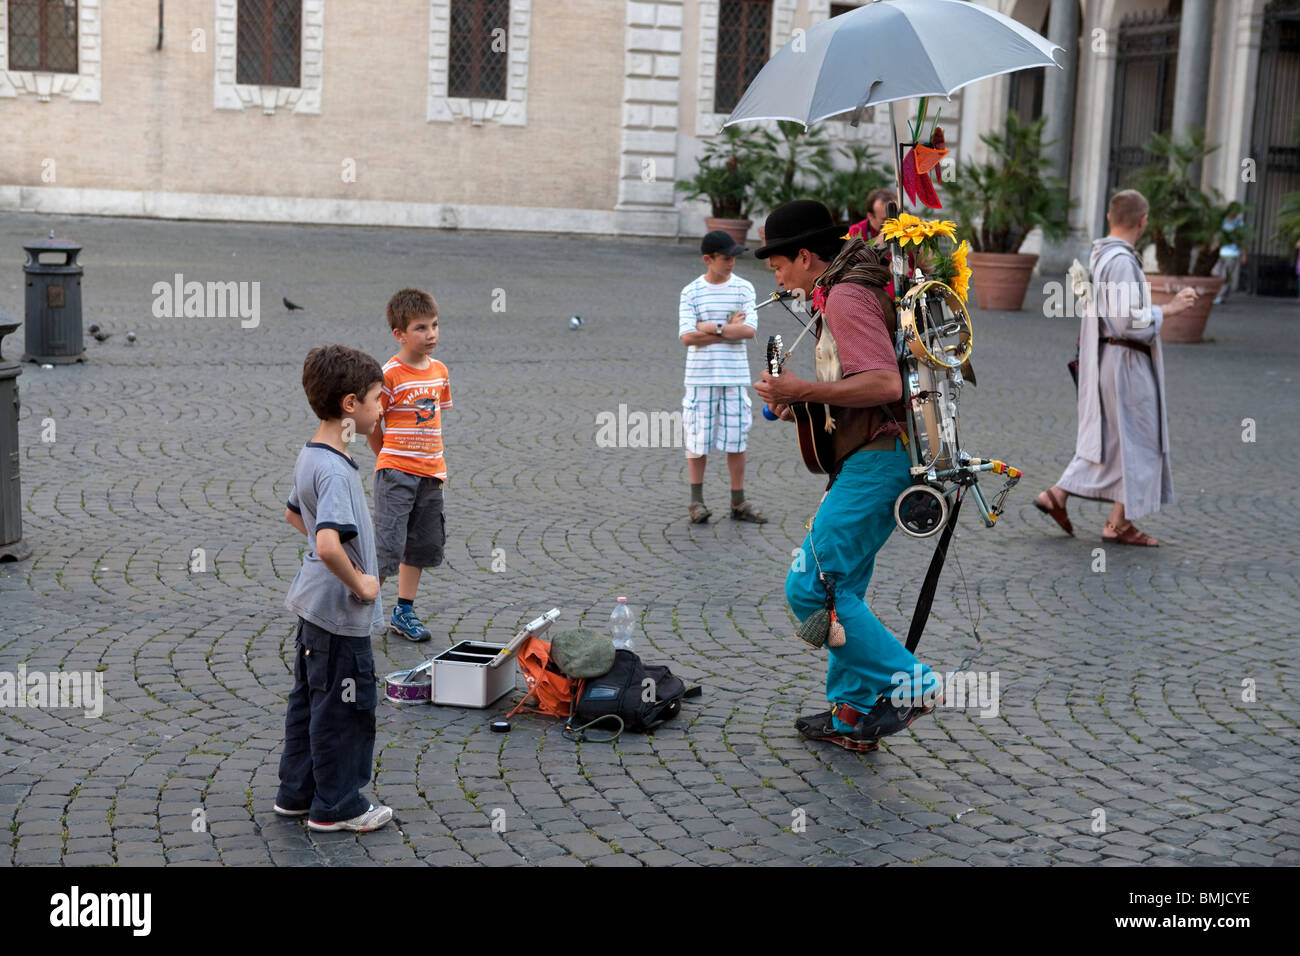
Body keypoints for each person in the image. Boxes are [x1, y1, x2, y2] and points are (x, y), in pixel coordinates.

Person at [753, 200, 939, 751]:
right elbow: (860, 386)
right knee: (844, 585)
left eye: (778, 265)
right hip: (877, 451)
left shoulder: (847, 295)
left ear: (806, 256)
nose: (777, 276)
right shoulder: (849, 285)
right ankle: (852, 715)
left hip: (878, 459)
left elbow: (884, 385)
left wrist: (803, 390)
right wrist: (804, 406)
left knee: (811, 587)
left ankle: (913, 686)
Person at [1035, 189, 1197, 546]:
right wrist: (1170, 309)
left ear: (1110, 217)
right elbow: (1125, 321)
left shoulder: (1105, 256)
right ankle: (1117, 523)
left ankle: (1060, 496)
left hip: (1112, 359)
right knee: (1144, 440)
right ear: (1143, 221)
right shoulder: (1121, 260)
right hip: (1125, 361)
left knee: (1116, 441)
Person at [277, 345, 393, 833]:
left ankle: (297, 793)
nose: (382, 407)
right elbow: (326, 545)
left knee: (310, 702)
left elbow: (292, 514)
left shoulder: (312, 453)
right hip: (339, 614)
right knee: (345, 710)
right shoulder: (338, 471)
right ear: (350, 405)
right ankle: (339, 806)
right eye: (376, 399)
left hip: (313, 609)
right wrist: (362, 582)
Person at [366, 288, 452, 641]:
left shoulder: (440, 372)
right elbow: (373, 421)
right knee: (388, 544)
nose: (430, 334)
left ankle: (404, 610)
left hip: (431, 474)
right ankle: (360, 606)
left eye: (434, 325)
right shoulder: (389, 375)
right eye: (420, 328)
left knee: (419, 545)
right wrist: (387, 458)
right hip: (396, 472)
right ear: (399, 334)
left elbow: (434, 422)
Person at [678, 230, 765, 524]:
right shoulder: (691, 292)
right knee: (697, 439)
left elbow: (749, 331)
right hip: (700, 378)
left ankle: (738, 502)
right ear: (708, 259)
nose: (732, 263)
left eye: (734, 258)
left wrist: (710, 328)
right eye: (726, 258)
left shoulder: (744, 289)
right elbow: (687, 337)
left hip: (735, 377)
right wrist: (727, 329)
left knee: (737, 439)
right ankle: (696, 501)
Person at [1212, 212, 1245, 304]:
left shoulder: (1239, 223)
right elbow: (1217, 236)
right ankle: (1217, 293)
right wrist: (1215, 247)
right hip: (1220, 252)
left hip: (1232, 253)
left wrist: (1243, 254)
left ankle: (1221, 296)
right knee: (1215, 273)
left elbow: (1241, 239)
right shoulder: (1223, 222)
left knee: (1226, 276)